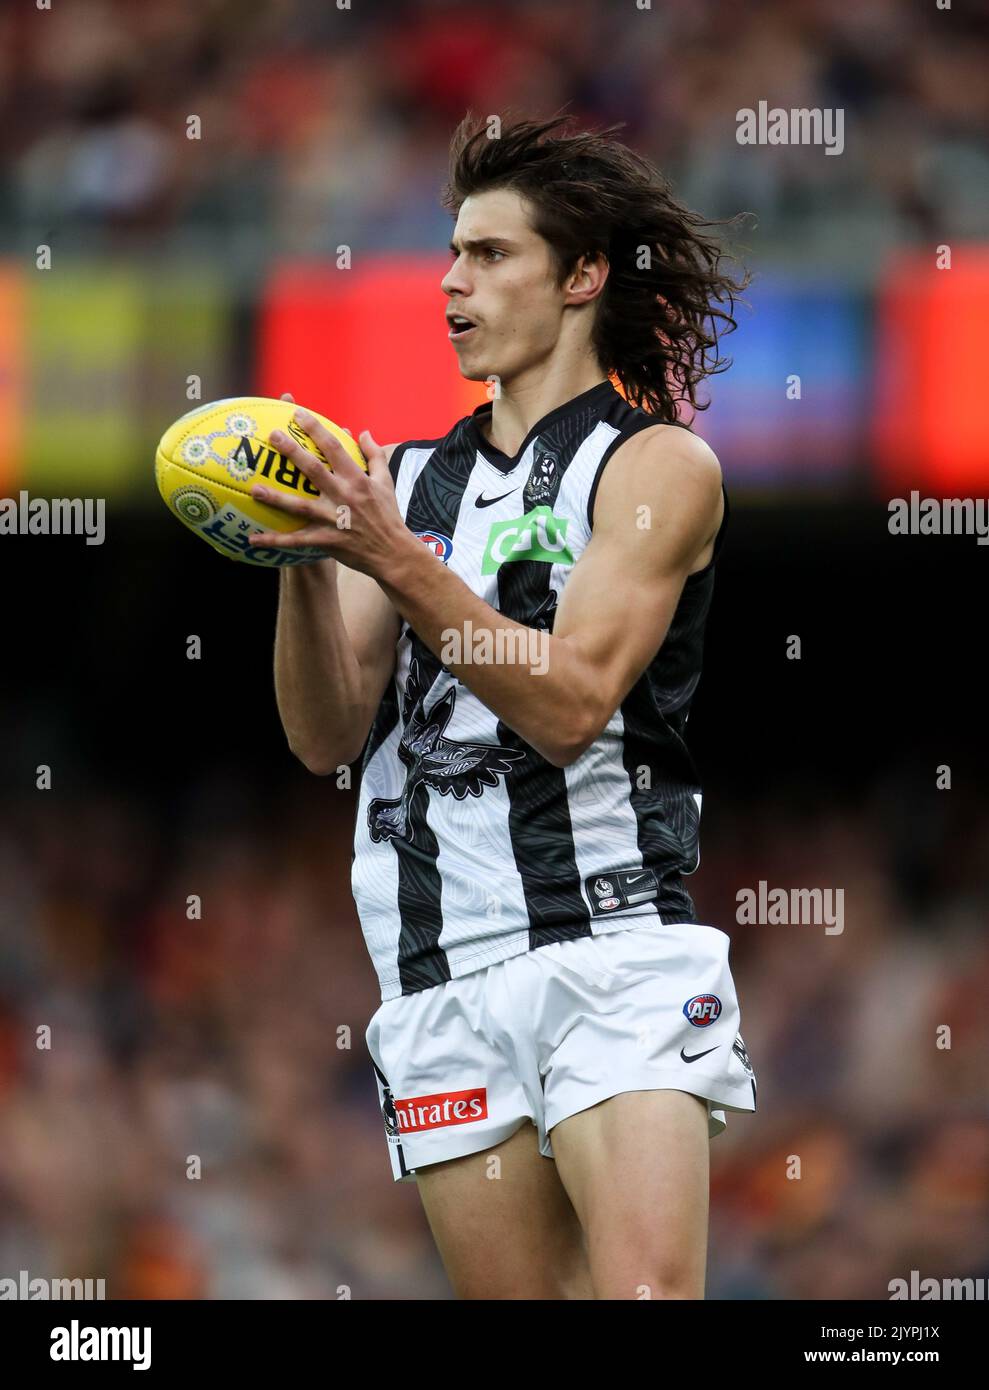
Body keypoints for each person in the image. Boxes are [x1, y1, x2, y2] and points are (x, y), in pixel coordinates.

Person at [252, 112, 756, 1300]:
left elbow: (573, 702)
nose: (449, 281)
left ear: (582, 276)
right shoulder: (411, 480)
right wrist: (299, 566)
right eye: (449, 252)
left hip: (607, 946)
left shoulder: (655, 469)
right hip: (432, 970)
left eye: (488, 255)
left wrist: (395, 559)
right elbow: (325, 734)